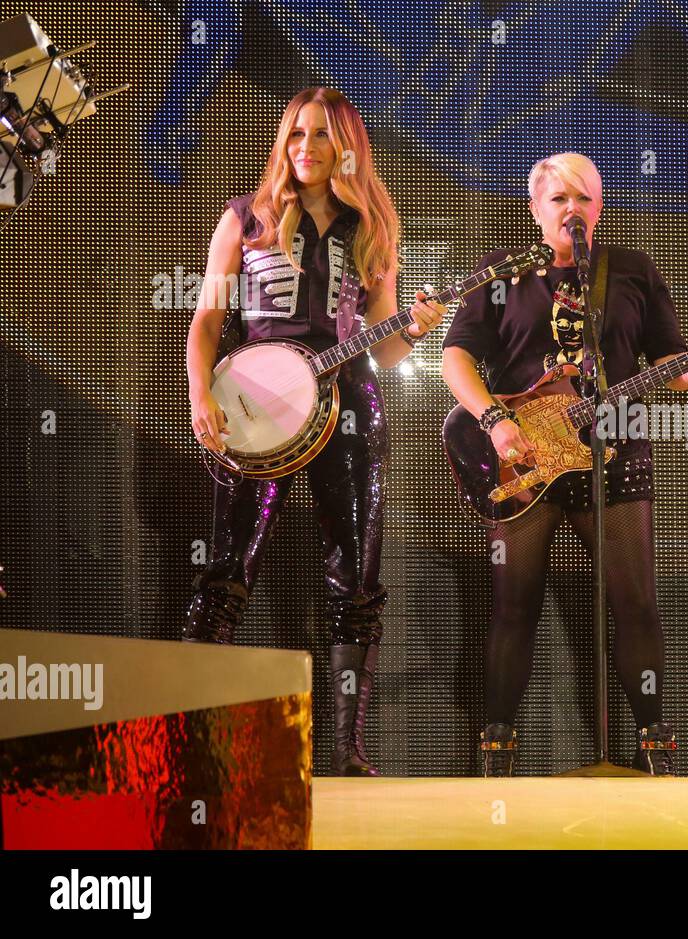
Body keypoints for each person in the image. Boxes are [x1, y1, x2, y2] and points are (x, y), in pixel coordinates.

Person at [184, 87, 445, 776]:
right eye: (296, 133)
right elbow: (207, 320)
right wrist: (199, 394)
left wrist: (414, 330)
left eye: (320, 136)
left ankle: (346, 749)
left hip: (349, 400)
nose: (304, 146)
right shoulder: (245, 217)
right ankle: (191, 734)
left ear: (345, 147)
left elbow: (386, 348)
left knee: (356, 576)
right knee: (228, 568)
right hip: (255, 398)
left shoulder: (371, 227)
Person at [441, 152, 688, 776]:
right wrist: (496, 421)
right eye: (560, 199)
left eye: (587, 199)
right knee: (515, 602)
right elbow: (455, 358)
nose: (574, 209)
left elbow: (671, 363)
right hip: (527, 461)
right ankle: (497, 747)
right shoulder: (504, 273)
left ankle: (655, 741)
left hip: (615, 451)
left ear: (600, 208)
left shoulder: (631, 270)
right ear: (536, 209)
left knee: (637, 602)